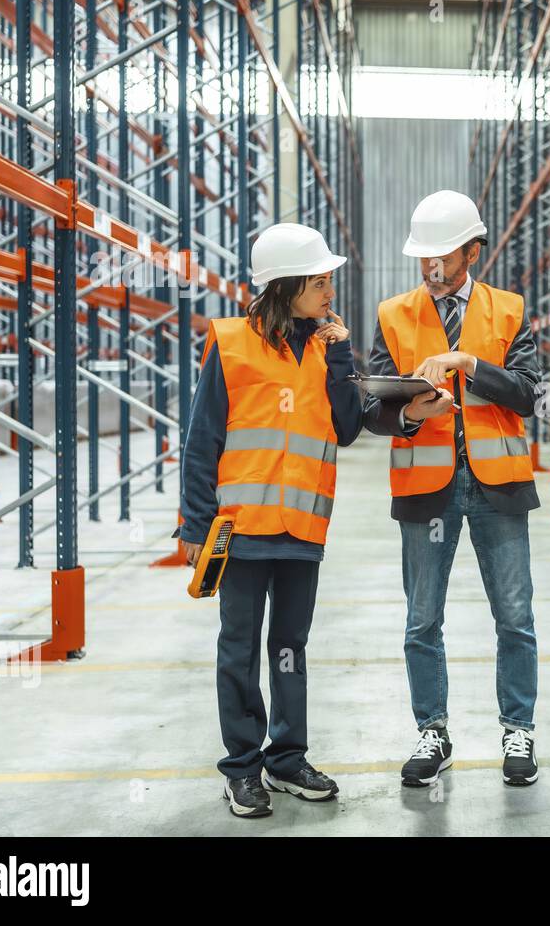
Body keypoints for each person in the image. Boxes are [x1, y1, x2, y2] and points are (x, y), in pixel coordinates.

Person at [179, 223, 363, 819]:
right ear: (286, 286)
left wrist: (342, 359)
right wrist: (195, 527)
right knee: (239, 649)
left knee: (290, 647)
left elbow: (347, 428)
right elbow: (201, 440)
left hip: (302, 530)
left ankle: (287, 759)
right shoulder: (231, 343)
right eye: (319, 280)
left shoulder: (324, 346)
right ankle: (241, 767)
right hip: (241, 529)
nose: (329, 289)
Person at [362, 190, 542, 788]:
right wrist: (411, 416)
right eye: (423, 257)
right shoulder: (393, 314)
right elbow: (372, 407)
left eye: (441, 255)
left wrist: (470, 365)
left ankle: (519, 732)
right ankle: (432, 732)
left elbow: (529, 394)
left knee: (514, 617)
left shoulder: (509, 309)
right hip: (426, 485)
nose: (431, 267)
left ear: (472, 249)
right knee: (422, 619)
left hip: (498, 484)